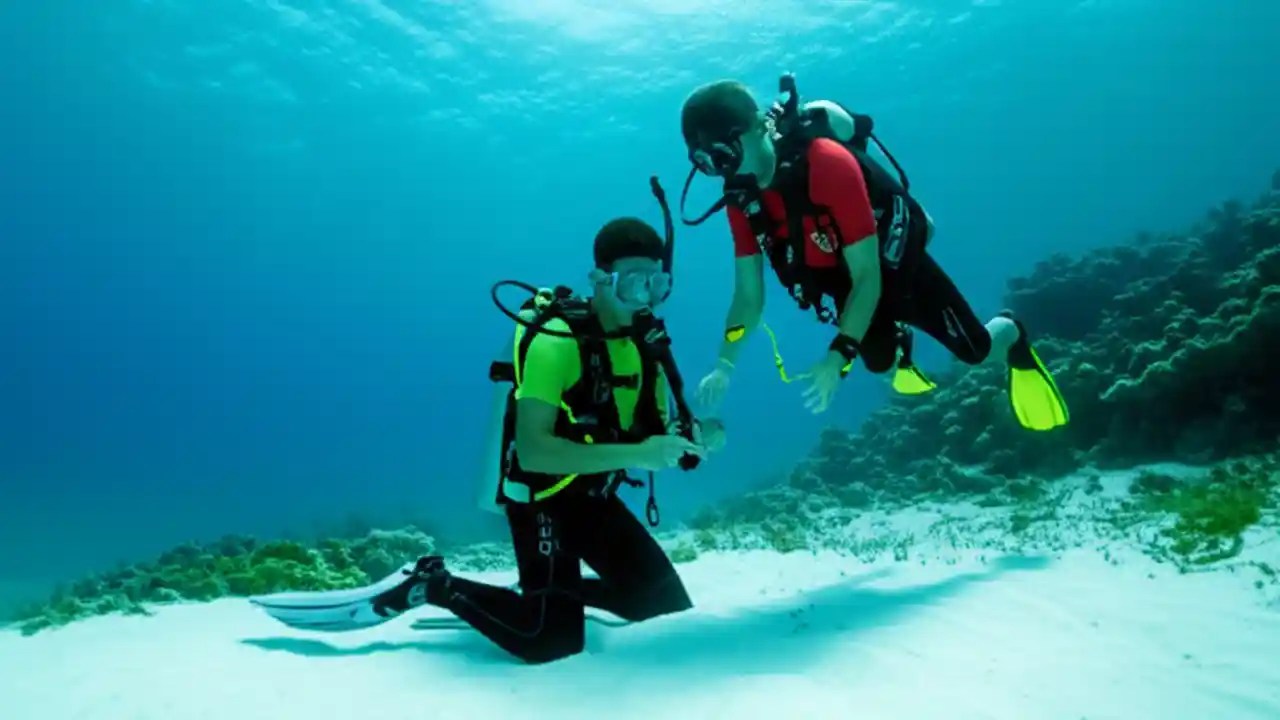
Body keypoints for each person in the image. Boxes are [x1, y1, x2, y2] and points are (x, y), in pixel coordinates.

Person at [250, 181, 727, 665]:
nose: (645, 297)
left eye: (657, 283)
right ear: (599, 279)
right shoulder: (556, 340)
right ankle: (431, 584)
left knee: (665, 606)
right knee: (552, 641)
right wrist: (641, 455)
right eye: (632, 282)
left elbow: (657, 430)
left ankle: (543, 592)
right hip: (542, 495)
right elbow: (537, 450)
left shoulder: (645, 348)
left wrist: (702, 436)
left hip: (593, 496)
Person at [676, 73, 1069, 431]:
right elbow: (748, 295)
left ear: (760, 125)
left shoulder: (827, 163)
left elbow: (868, 274)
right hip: (845, 279)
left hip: (890, 262)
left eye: (724, 154)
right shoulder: (742, 203)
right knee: (879, 360)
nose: (723, 171)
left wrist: (836, 356)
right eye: (707, 163)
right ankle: (896, 338)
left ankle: (1012, 335)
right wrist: (724, 365)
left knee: (975, 351)